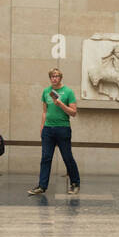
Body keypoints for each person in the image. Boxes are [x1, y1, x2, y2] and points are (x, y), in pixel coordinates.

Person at [28, 68, 79, 196]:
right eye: (52, 76)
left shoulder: (68, 92)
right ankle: (42, 186)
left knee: (67, 157)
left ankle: (75, 183)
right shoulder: (46, 91)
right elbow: (45, 111)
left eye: (56, 76)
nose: (54, 78)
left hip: (63, 128)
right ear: (50, 78)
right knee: (46, 158)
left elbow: (73, 113)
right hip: (48, 129)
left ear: (60, 78)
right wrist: (42, 127)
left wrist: (61, 104)